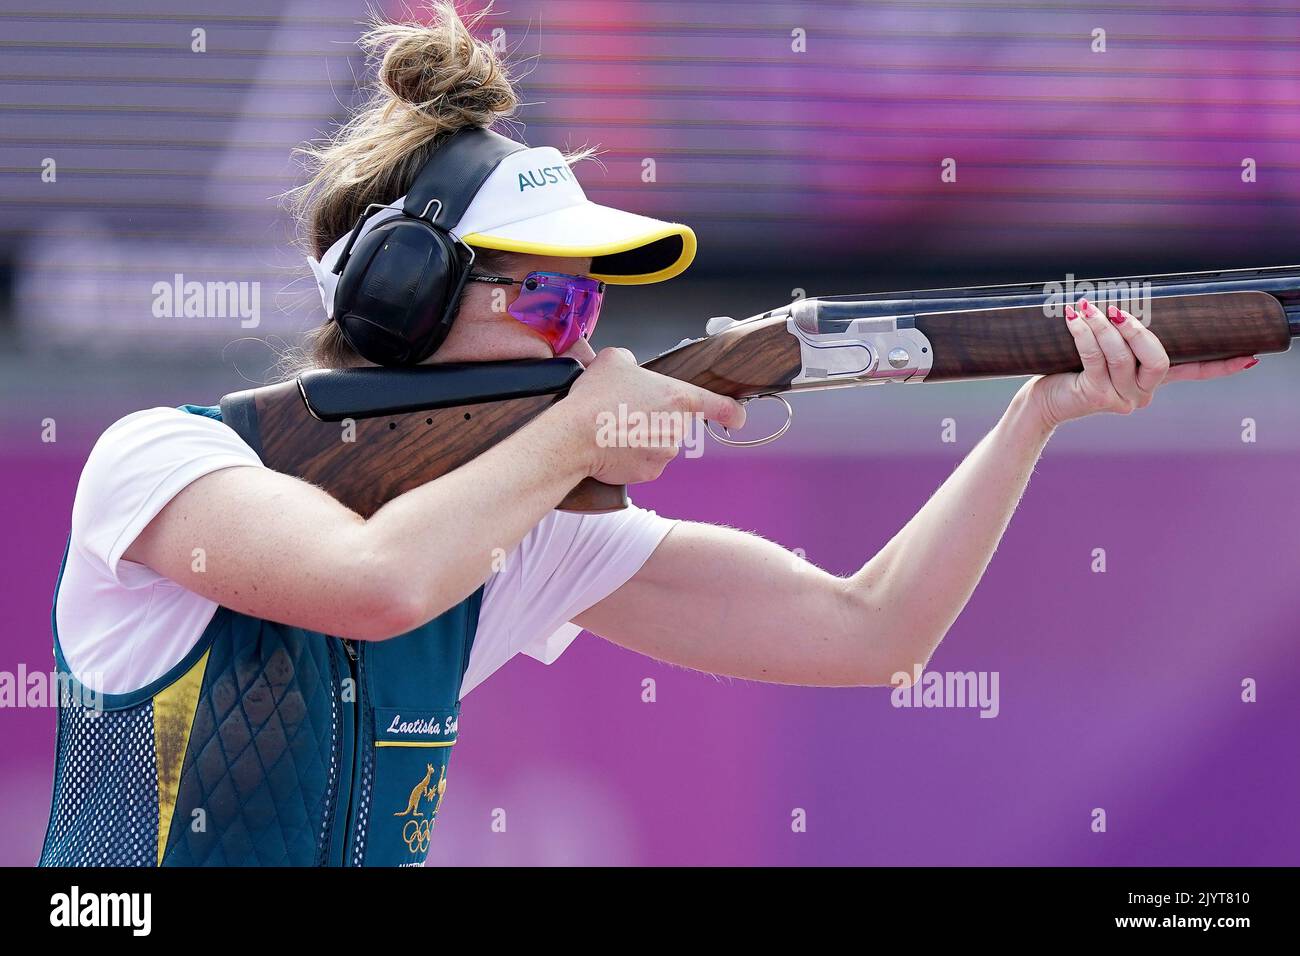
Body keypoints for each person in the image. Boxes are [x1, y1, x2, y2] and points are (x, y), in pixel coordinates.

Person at [38, 4, 1257, 867]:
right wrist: (577, 433)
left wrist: (1033, 410)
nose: (580, 340)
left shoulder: (524, 534)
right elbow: (376, 580)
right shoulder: (164, 461)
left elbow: (870, 632)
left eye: (591, 307)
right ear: (399, 298)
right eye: (551, 301)